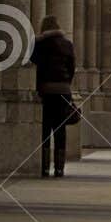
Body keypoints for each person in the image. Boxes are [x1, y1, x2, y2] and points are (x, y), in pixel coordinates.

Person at [32, 14, 76, 178]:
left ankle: (44, 167)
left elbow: (34, 65)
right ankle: (59, 168)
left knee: (45, 129)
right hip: (63, 91)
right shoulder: (67, 44)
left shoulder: (39, 44)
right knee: (60, 130)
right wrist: (66, 83)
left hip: (46, 90)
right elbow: (72, 67)